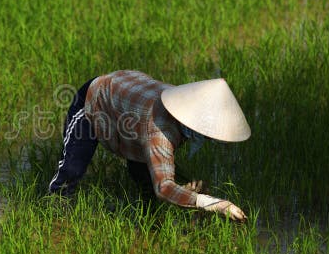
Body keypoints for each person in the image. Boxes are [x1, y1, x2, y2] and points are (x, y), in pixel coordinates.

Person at [48, 70, 251, 221]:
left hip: (132, 107)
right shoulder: (159, 131)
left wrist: (185, 187)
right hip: (95, 97)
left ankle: (149, 222)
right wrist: (214, 204)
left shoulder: (180, 101)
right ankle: (55, 213)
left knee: (146, 181)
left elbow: (162, 162)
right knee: (73, 167)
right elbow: (164, 188)